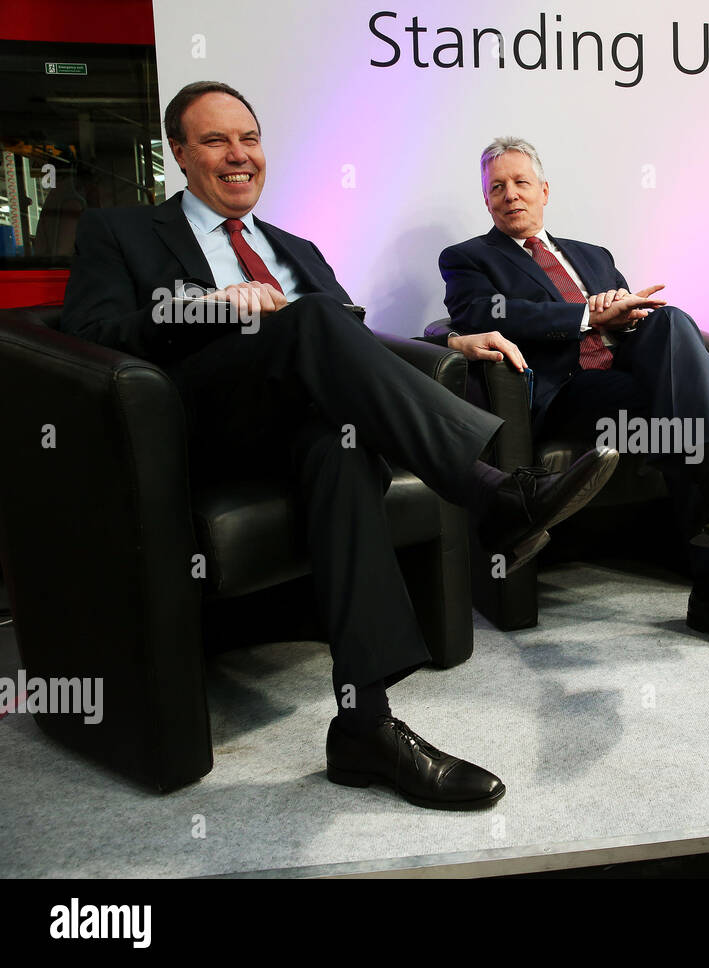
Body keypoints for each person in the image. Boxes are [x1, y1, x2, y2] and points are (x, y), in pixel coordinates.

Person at [58, 82, 619, 809]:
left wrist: (445, 338)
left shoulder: (294, 248)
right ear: (179, 153)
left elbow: (351, 342)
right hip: (193, 426)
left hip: (303, 419)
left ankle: (366, 725)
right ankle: (492, 492)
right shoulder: (122, 232)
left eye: (249, 139)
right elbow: (92, 338)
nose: (239, 155)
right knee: (315, 318)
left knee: (341, 445)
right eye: (216, 141)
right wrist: (203, 307)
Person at [435, 137, 709, 652]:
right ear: (486, 200)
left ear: (544, 191)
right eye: (497, 187)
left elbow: (637, 322)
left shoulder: (593, 255)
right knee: (679, 416)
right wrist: (587, 314)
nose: (510, 195)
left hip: (628, 377)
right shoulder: (469, 258)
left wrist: (623, 308)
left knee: (669, 321)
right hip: (567, 392)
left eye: (521, 183)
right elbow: (484, 315)